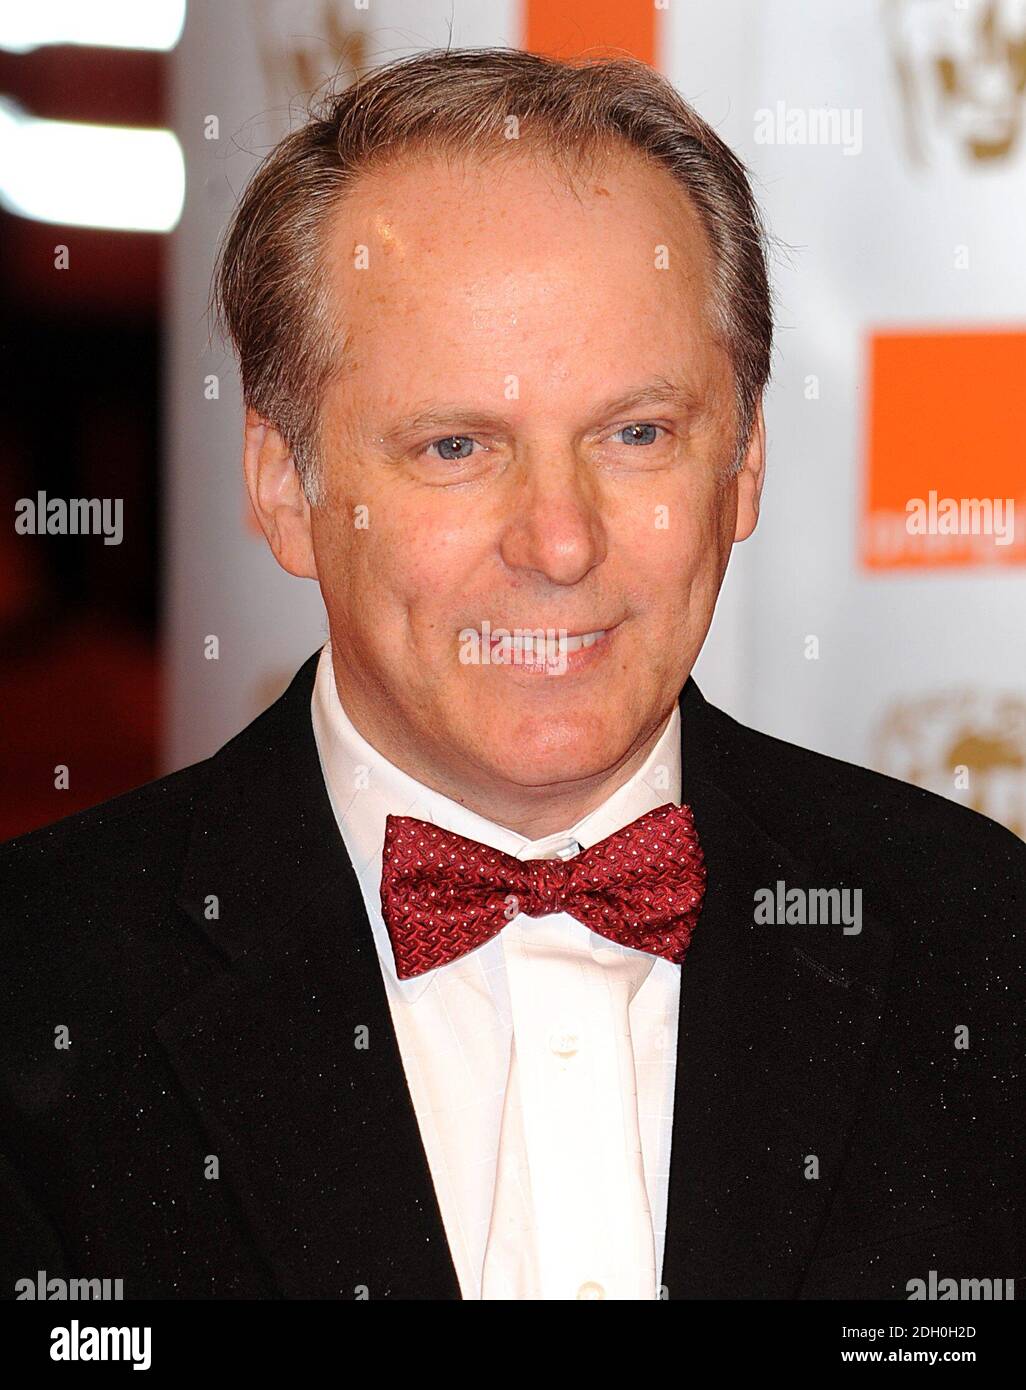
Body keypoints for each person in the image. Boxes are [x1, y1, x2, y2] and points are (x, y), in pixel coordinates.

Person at [1, 47, 1021, 1302]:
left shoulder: (984, 942)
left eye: (636, 433)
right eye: (456, 445)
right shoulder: (36, 981)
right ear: (284, 488)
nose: (559, 541)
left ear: (743, 464)